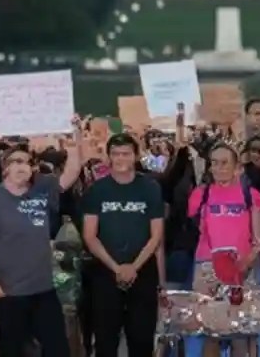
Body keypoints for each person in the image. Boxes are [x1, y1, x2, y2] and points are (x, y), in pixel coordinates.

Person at [0, 118, 83, 357]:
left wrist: (76, 136)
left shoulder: (42, 191)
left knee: (58, 350)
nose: (23, 166)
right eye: (16, 161)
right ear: (5, 168)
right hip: (9, 293)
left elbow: (73, 170)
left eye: (28, 162)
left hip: (44, 290)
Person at [81, 133, 164, 357]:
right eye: (115, 154)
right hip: (105, 273)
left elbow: (156, 235)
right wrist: (116, 268)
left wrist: (134, 267)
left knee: (142, 340)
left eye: (126, 153)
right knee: (106, 341)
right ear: (108, 157)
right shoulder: (96, 190)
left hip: (143, 271)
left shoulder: (150, 188)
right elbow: (90, 236)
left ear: (136, 156)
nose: (120, 159)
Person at [184, 142, 260, 357]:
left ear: (237, 167)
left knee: (240, 330)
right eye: (214, 163)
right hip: (207, 266)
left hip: (242, 268)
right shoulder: (200, 195)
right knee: (210, 329)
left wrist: (243, 265)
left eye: (224, 163)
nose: (219, 168)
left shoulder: (250, 195)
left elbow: (258, 240)